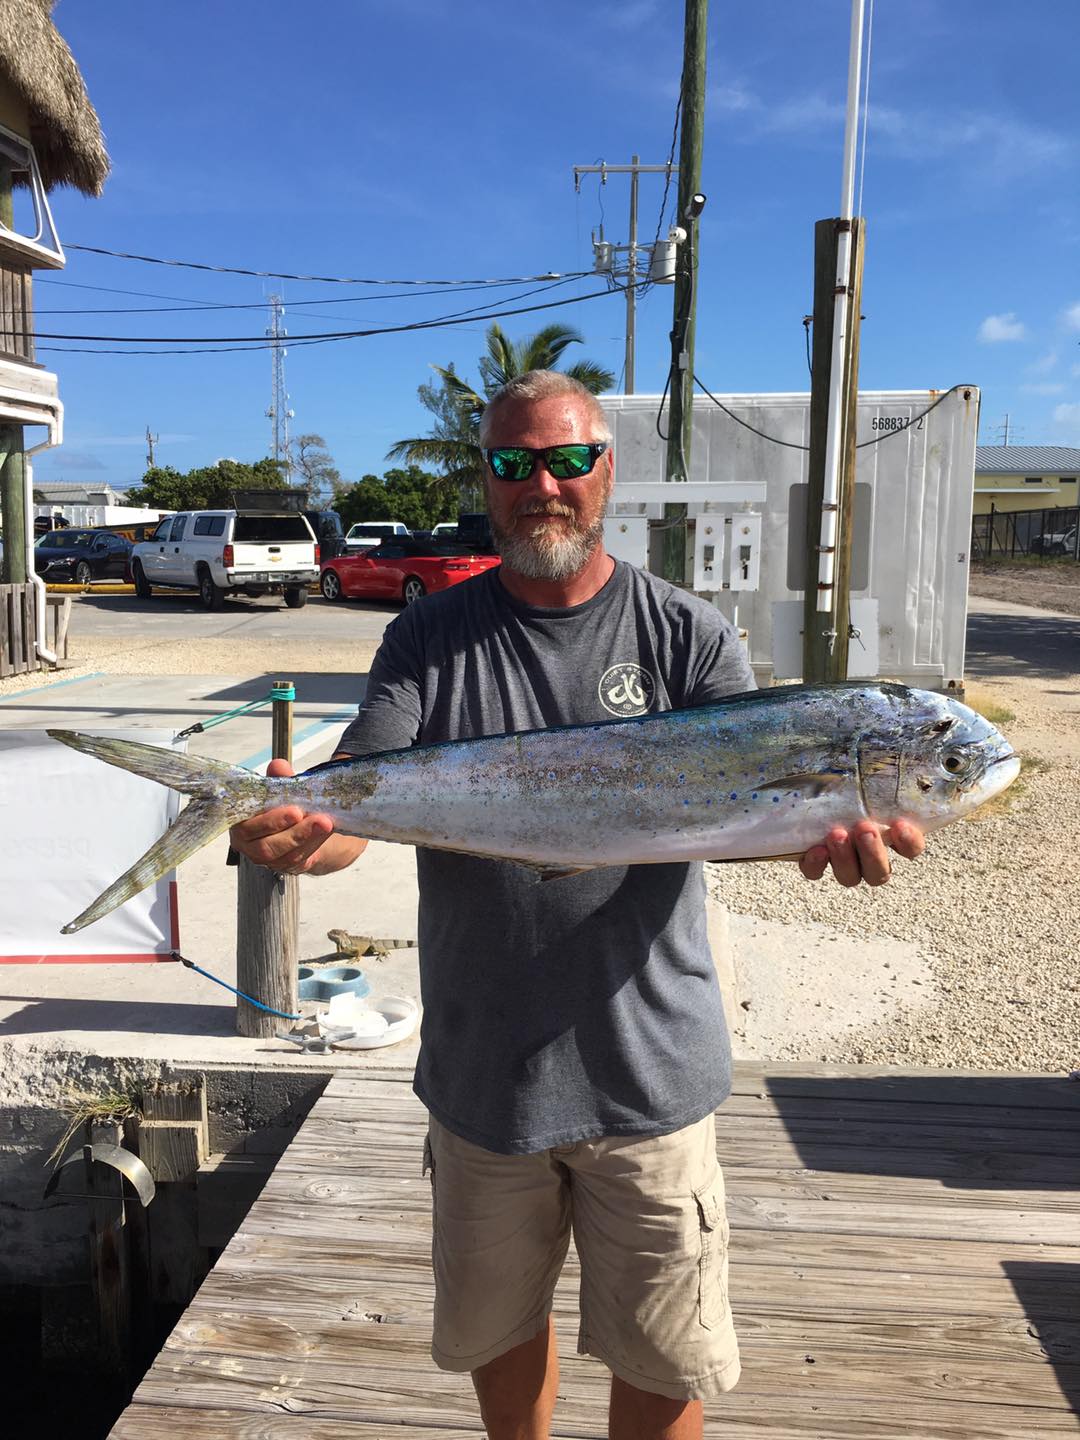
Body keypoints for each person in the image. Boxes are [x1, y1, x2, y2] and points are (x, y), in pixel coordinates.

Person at [230, 370, 925, 1440]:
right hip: (484, 1078)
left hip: (646, 1075)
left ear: (607, 470)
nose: (541, 485)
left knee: (663, 1354)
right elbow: (359, 806)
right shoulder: (428, 638)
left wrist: (819, 843)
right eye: (514, 464)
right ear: (487, 480)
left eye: (566, 460)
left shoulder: (689, 635)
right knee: (501, 1338)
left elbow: (743, 800)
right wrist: (291, 841)